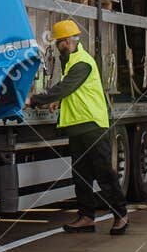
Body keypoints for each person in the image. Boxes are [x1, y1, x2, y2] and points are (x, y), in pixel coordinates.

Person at [27, 20, 129, 235]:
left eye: (58, 43)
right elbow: (74, 93)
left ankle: (121, 215)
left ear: (66, 42)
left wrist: (34, 100)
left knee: (104, 174)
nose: (56, 47)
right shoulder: (71, 61)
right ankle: (86, 217)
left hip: (93, 125)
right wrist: (58, 102)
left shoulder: (82, 62)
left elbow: (66, 87)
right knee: (80, 175)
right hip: (77, 127)